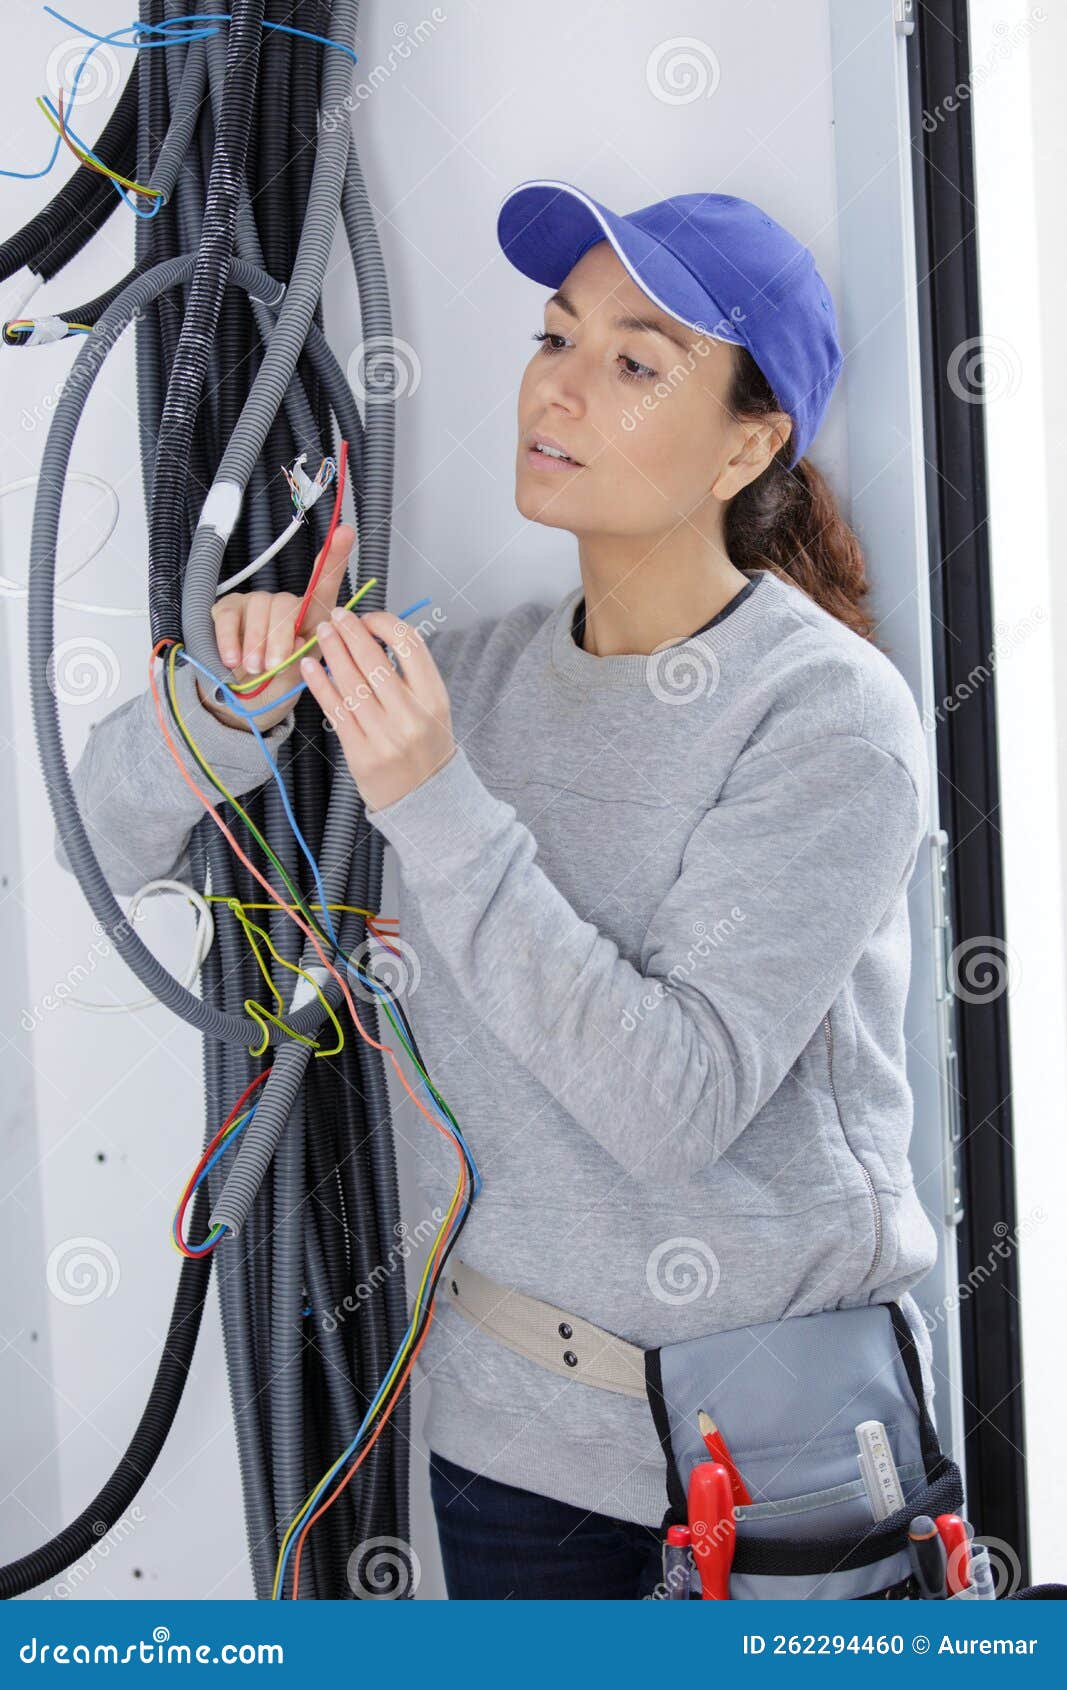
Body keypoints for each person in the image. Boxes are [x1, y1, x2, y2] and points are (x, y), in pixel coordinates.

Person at [56, 179, 940, 1600]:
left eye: (636, 361)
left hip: (767, 1455)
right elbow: (106, 846)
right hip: (509, 1451)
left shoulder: (830, 718)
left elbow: (673, 1103)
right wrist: (228, 705)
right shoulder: (458, 678)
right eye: (554, 334)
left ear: (750, 444)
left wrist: (433, 800)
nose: (561, 385)